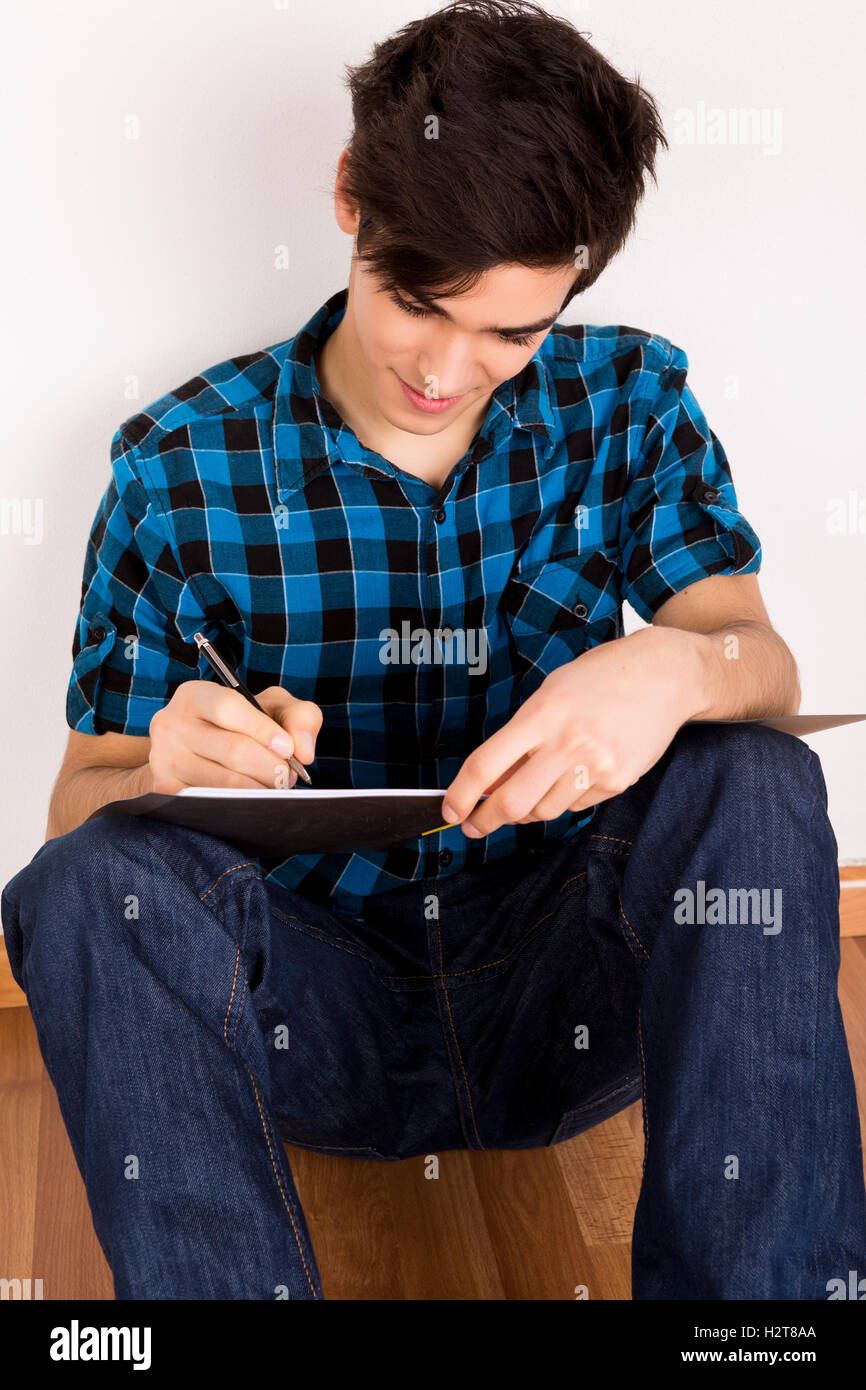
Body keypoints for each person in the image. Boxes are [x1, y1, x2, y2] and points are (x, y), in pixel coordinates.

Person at [3, 0, 864, 1301]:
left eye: (512, 332)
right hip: (310, 1018)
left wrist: (674, 668)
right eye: (419, 302)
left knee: (752, 778)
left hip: (570, 992)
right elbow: (80, 805)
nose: (448, 370)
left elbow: (758, 659)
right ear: (351, 198)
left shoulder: (627, 402)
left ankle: (766, 1329)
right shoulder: (178, 465)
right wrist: (167, 774)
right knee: (88, 881)